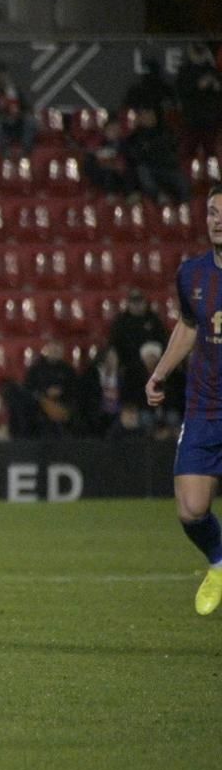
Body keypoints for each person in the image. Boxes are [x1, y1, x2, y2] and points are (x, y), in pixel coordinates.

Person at [145, 183, 222, 615]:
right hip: (206, 407)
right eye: (212, 212)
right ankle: (219, 563)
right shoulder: (192, 274)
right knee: (192, 511)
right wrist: (159, 374)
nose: (218, 219)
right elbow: (189, 327)